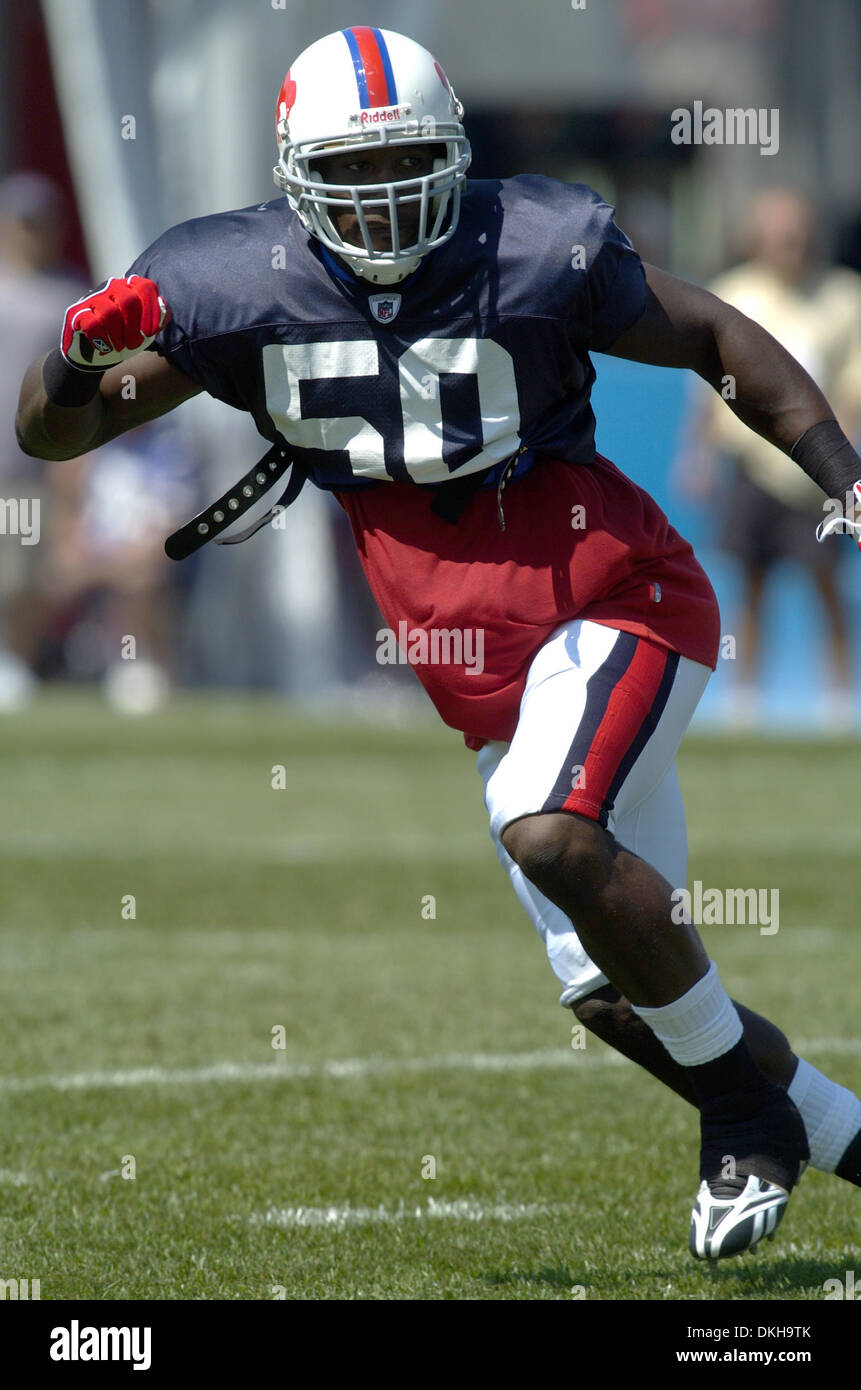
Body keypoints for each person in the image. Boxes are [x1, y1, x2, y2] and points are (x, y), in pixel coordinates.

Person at [15, 26, 861, 1261]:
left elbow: (717, 335)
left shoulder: (533, 244)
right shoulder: (230, 280)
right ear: (296, 173)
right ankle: (813, 1128)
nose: (383, 191)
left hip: (617, 596)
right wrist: (81, 351)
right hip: (478, 663)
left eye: (406, 159)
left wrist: (841, 473)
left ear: (456, 152)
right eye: (351, 170)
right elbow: (54, 436)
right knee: (618, 992)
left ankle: (740, 1116)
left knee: (552, 830)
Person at [679, 187, 861, 725]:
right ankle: (745, 700)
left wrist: (841, 469)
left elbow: (852, 390)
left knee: (825, 585)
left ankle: (839, 701)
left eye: (800, 236)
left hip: (816, 476)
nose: (792, 246)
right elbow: (707, 391)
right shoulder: (734, 296)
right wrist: (698, 455)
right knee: (750, 585)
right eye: (781, 236)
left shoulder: (843, 298)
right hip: (753, 467)